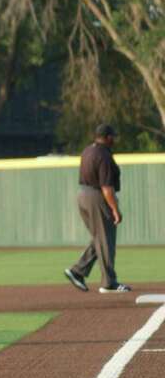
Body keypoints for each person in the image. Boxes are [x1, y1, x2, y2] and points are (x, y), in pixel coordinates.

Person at [65, 123, 131, 294]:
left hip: (83, 196)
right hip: (97, 197)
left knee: (100, 238)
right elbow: (106, 187)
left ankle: (77, 271)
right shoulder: (103, 155)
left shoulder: (88, 150)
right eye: (113, 136)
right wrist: (115, 209)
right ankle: (109, 283)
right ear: (108, 137)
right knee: (105, 239)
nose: (114, 139)